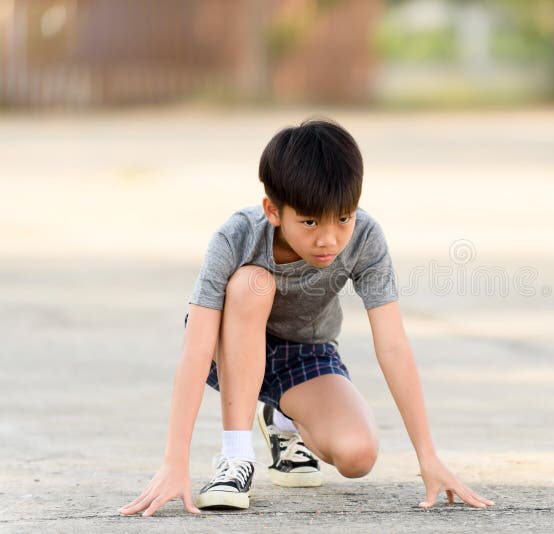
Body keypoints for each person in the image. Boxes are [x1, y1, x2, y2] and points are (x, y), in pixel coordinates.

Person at [119, 117, 494, 516]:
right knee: (252, 284)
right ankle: (236, 456)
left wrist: (428, 456)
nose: (328, 238)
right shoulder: (237, 236)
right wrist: (174, 463)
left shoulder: (366, 238)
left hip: (306, 354)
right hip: (227, 347)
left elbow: (392, 343)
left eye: (343, 218)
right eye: (310, 221)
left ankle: (281, 419)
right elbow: (195, 348)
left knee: (358, 455)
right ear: (274, 210)